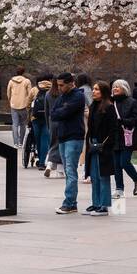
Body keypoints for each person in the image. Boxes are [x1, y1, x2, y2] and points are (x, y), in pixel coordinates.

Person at [51, 72, 87, 213]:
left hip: (74, 136)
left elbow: (64, 112)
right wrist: (63, 110)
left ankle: (70, 202)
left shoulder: (78, 96)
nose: (59, 88)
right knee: (68, 170)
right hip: (63, 136)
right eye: (58, 85)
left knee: (71, 171)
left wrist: (62, 111)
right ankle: (71, 202)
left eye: (62, 85)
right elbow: (54, 114)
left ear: (71, 83)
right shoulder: (62, 97)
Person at [84, 81, 118, 215]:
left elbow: (113, 129)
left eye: (97, 89)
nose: (93, 91)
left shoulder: (109, 107)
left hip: (103, 146)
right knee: (94, 175)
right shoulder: (93, 106)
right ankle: (96, 203)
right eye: (93, 89)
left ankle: (103, 205)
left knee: (103, 176)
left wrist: (105, 144)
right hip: (93, 144)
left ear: (103, 92)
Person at [111, 79, 137, 197]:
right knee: (116, 164)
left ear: (124, 88)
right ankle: (119, 189)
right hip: (114, 137)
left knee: (124, 162)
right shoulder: (111, 102)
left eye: (117, 87)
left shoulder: (132, 102)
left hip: (127, 137)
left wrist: (123, 121)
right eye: (114, 87)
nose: (114, 89)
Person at [6, 66, 35, 152]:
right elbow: (30, 94)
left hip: (14, 104)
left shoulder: (11, 81)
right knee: (22, 124)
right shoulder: (27, 81)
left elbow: (8, 93)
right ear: (23, 72)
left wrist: (11, 101)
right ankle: (20, 143)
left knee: (15, 124)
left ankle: (15, 143)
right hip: (24, 105)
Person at [29, 74, 53, 170]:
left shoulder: (34, 89)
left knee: (37, 139)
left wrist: (29, 115)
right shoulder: (54, 89)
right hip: (48, 118)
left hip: (35, 118)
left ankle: (39, 158)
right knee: (45, 139)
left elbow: (28, 103)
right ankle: (42, 162)